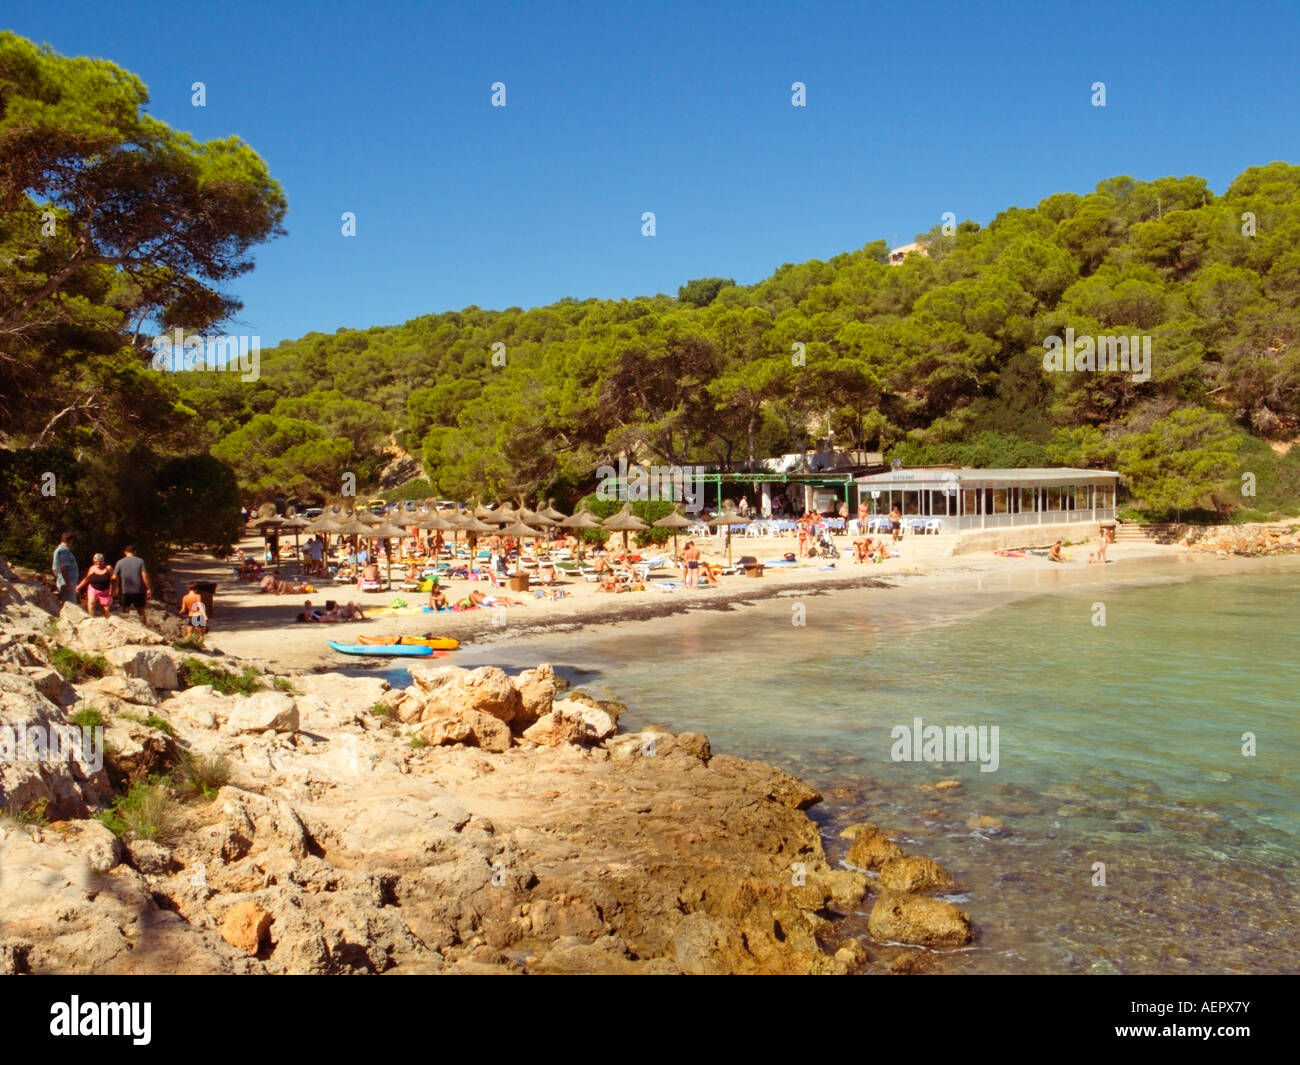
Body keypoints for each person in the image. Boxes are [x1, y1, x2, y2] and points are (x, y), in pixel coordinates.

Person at [112, 545, 152, 622]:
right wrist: (148, 588)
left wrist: (114, 588)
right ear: (135, 552)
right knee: (141, 611)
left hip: (125, 591)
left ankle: (127, 628)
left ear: (125, 552)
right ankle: (145, 626)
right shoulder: (140, 561)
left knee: (125, 611)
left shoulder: (120, 562)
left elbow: (114, 577)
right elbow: (144, 576)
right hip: (139, 590)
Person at [77, 553, 114, 617]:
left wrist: (113, 589)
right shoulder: (92, 568)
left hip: (105, 591)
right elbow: (87, 579)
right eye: (96, 561)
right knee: (91, 603)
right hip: (93, 589)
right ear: (94, 561)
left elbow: (114, 579)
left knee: (106, 611)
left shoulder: (108, 568)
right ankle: (91, 619)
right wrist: (79, 586)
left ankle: (107, 622)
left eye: (100, 561)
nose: (98, 563)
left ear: (103, 561)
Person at [53, 531, 79, 605]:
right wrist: (67, 584)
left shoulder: (61, 550)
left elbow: (54, 568)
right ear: (71, 541)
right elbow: (64, 568)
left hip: (66, 582)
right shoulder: (63, 551)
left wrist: (59, 578)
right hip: (68, 583)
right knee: (71, 605)